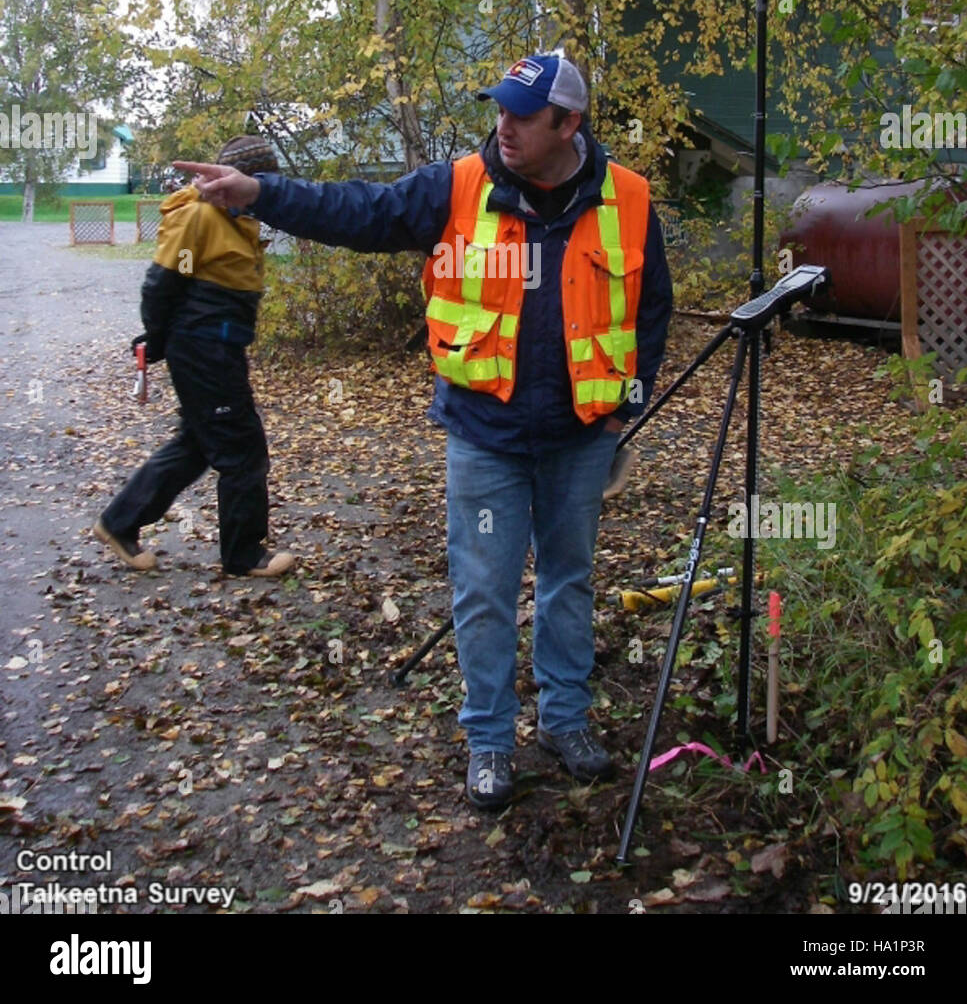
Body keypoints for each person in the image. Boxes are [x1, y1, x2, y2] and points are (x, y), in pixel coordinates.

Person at [175, 55, 673, 807]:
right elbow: (360, 211)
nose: (502, 126)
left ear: (568, 124)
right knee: (483, 591)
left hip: (579, 437)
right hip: (484, 435)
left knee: (569, 583)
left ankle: (565, 720)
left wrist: (621, 411)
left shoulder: (628, 199)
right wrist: (260, 193)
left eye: (521, 115)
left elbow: (650, 313)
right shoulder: (458, 187)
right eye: (498, 109)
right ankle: (489, 740)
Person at [94, 136, 294, 579]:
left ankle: (119, 522)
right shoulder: (202, 215)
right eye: (258, 180)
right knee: (242, 448)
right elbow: (162, 282)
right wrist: (158, 338)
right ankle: (244, 556)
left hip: (219, 346)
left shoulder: (236, 216)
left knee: (197, 442)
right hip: (204, 349)